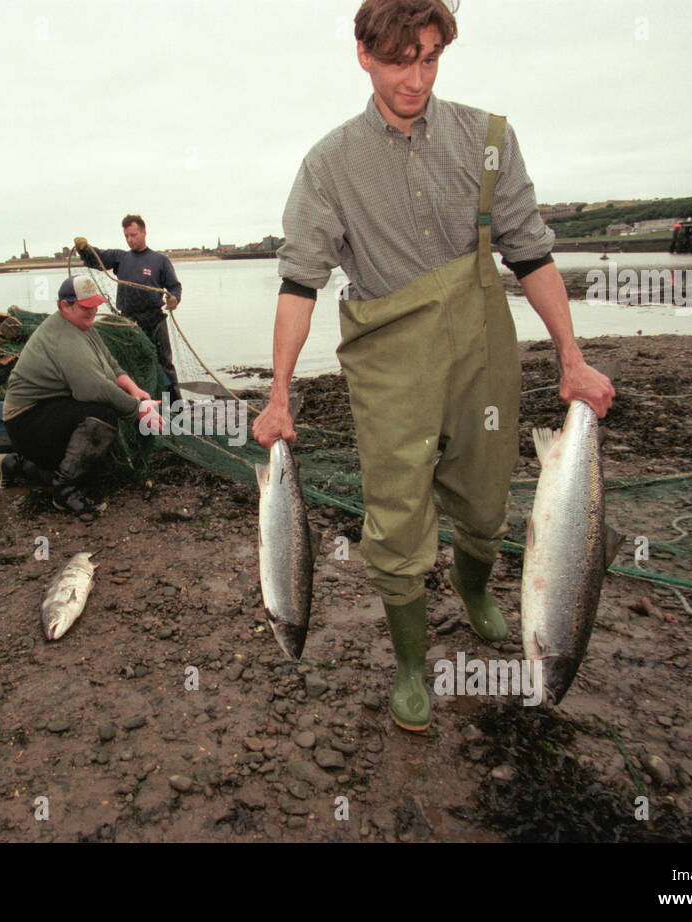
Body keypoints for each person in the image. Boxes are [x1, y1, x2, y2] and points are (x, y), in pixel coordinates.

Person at [251, 0, 615, 731]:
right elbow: (300, 283)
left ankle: (475, 580)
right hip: (388, 362)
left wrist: (571, 357)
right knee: (394, 518)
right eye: (398, 61)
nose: (415, 78)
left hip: (483, 347)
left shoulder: (488, 140)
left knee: (485, 502)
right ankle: (414, 664)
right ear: (363, 54)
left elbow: (532, 252)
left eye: (428, 58)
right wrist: (279, 392)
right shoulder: (328, 164)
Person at [0, 274, 163, 520]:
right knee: (102, 415)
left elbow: (110, 364)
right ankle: (64, 492)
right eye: (86, 307)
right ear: (65, 305)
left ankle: (14, 463)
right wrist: (137, 410)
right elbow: (93, 388)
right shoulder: (63, 337)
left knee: (95, 465)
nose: (93, 311)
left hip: (48, 412)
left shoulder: (84, 326)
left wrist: (133, 388)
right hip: (26, 421)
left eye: (95, 304)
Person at [74, 215, 184, 400]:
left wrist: (174, 299)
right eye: (126, 236)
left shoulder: (160, 260)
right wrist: (85, 249)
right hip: (127, 322)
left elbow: (174, 286)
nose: (130, 240)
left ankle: (175, 406)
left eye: (133, 235)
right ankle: (140, 402)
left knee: (164, 363)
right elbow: (97, 258)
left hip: (154, 320)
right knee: (131, 363)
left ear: (144, 232)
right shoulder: (121, 258)